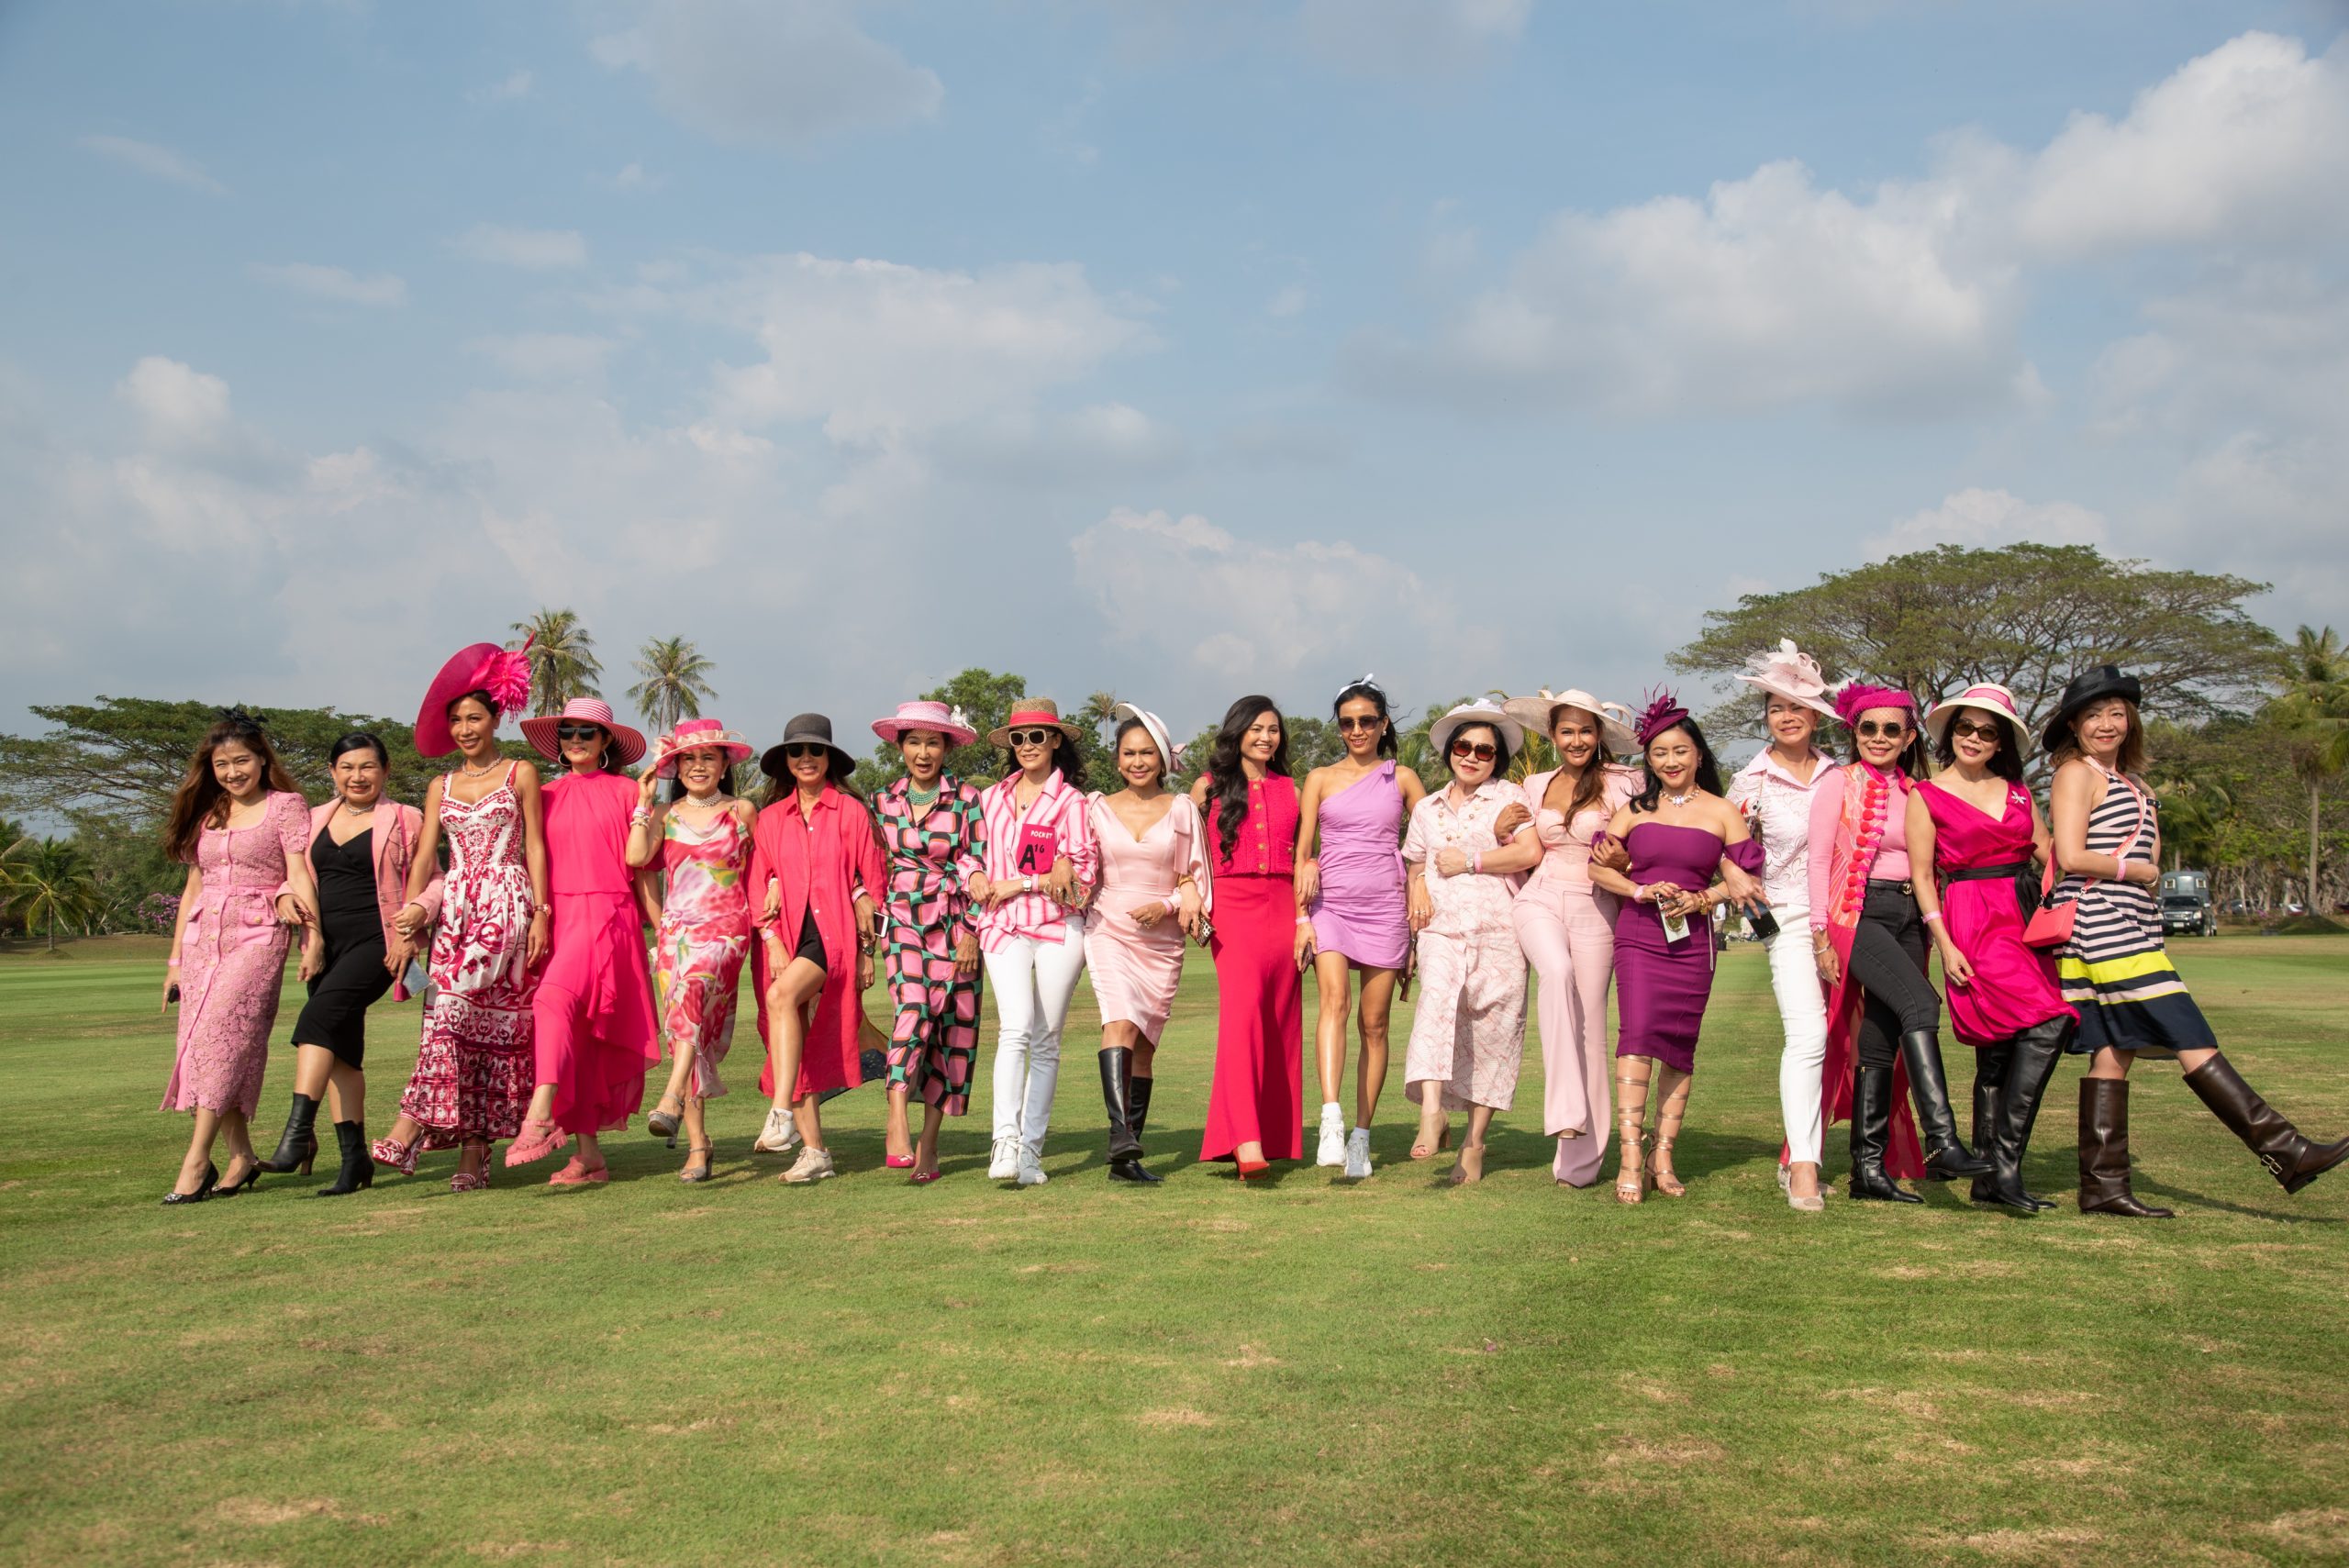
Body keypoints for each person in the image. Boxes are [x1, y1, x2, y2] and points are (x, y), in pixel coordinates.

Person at [2045, 667, 2349, 1216]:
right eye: (2093, 715)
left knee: (2115, 1053)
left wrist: (2146, 877)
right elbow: (2070, 856)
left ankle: (2104, 1187)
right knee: (2189, 1034)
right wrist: (2138, 872)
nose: (2107, 724)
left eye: (2116, 713)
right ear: (2074, 723)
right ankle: (2285, 1149)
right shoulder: (2076, 774)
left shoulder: (2138, 783)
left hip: (2134, 922)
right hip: (2102, 921)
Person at [373, 642, 546, 1191]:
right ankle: (473, 1158)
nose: (466, 729)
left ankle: (409, 1126)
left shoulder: (521, 772)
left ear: (496, 718)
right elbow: (426, 855)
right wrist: (409, 917)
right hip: (455, 911)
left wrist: (541, 913)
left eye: (474, 718)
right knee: (471, 1028)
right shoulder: (438, 786)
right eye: (457, 721)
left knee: (451, 1010)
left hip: (506, 903)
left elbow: (536, 847)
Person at [1809, 684, 1991, 1203]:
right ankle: (1942, 1139)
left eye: (1892, 729)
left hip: (1912, 912)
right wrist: (1821, 937)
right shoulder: (1837, 783)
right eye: (1868, 727)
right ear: (1854, 732)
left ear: (1909, 736)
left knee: (1882, 1036)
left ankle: (1867, 1169)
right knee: (1921, 1002)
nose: (1880, 737)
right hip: (1858, 913)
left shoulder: (1920, 791)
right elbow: (1819, 861)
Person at [1589, 693, 1763, 1204]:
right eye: (1660, 753)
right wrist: (1639, 890)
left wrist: (1703, 896)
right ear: (1650, 759)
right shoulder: (1633, 810)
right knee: (1637, 1036)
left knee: (1680, 1047)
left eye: (1680, 751)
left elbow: (1746, 877)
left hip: (1694, 942)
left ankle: (1664, 1155)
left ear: (1699, 755)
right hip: (1640, 935)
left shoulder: (1725, 811)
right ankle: (1628, 1159)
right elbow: (1598, 867)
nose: (1670, 761)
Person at [1910, 684, 2076, 1213]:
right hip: (1971, 920)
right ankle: (2004, 1165)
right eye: (1965, 728)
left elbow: (2050, 853)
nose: (1974, 738)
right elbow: (1921, 878)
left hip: (2024, 919)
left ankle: (1990, 1174)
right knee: (2051, 1020)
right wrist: (1945, 943)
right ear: (1950, 733)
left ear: (2001, 741)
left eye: (1987, 731)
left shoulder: (2021, 793)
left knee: (2000, 1052)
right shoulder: (1926, 794)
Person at [258, 732, 443, 1196]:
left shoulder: (406, 818)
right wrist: (283, 898)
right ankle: (354, 1160)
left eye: (367, 767)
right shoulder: (313, 818)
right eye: (346, 767)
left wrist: (417, 914)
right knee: (341, 1053)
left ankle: (297, 1135)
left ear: (385, 771)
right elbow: (289, 878)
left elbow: (439, 879)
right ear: (332, 772)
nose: (356, 776)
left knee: (316, 1021)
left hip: (378, 944)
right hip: (322, 947)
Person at [157, 709, 320, 1204]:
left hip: (258, 936)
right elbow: (193, 888)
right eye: (222, 764)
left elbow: (299, 873)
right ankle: (242, 1155)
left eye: (242, 760)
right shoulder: (208, 815)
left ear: (261, 760)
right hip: (203, 942)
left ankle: (196, 1158)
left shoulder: (286, 806)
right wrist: (174, 963)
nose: (233, 772)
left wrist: (314, 939)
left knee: (218, 1041)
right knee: (203, 1047)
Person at [501, 699, 662, 1186]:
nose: (575, 741)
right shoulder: (542, 795)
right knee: (581, 1037)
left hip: (608, 916)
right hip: (554, 919)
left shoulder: (628, 792)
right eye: (567, 732)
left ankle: (542, 1108)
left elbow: (644, 872)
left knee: (552, 1000)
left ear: (605, 742)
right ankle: (589, 1156)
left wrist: (664, 928)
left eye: (586, 734)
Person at [1497, 687, 1639, 1188]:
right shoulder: (1533, 785)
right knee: (1555, 974)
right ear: (1552, 735)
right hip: (1540, 896)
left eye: (1585, 730)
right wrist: (1500, 830)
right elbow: (1523, 849)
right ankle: (1563, 1109)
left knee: (1591, 1027)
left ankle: (1580, 1163)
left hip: (1596, 905)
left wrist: (1623, 861)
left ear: (1598, 735)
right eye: (1566, 730)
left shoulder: (1624, 783)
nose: (1576, 740)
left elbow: (1636, 845)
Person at [1722, 642, 1842, 1211]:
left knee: (1844, 1040)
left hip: (1847, 917)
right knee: (1809, 1036)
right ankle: (1803, 1167)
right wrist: (1736, 878)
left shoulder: (1840, 774)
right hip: (1787, 917)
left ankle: (1807, 1150)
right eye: (1776, 707)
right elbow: (1721, 843)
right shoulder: (1752, 780)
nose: (1786, 716)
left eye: (1796, 706)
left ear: (1816, 715)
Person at [1400, 702, 1542, 1184]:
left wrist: (1473, 860)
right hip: (1441, 927)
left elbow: (1529, 851)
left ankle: (1474, 1143)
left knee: (1493, 1035)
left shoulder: (1510, 798)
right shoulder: (1426, 807)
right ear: (1450, 751)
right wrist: (1417, 885)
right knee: (1435, 1006)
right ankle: (1432, 1111)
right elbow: (1415, 862)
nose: (1473, 756)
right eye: (1464, 746)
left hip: (1501, 930)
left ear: (1496, 758)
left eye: (1485, 750)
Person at [748, 715, 884, 1185]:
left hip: (836, 941)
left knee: (781, 999)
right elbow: (756, 886)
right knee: (793, 1041)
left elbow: (874, 884)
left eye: (815, 751)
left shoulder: (849, 812)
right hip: (785, 939)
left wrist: (869, 951)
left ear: (829, 760)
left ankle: (781, 1112)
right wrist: (770, 941)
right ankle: (813, 1151)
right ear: (786, 762)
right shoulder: (769, 819)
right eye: (796, 752)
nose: (806, 759)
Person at [1295, 675, 1421, 1177]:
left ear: (1383, 724)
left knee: (1376, 1024)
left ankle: (1361, 1139)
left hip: (1386, 907)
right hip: (1331, 903)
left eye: (1366, 720)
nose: (1357, 729)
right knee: (1334, 1003)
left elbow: (1433, 836)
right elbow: (1303, 852)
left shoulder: (1403, 777)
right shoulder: (1320, 778)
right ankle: (1331, 1117)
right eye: (1347, 722)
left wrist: (1420, 885)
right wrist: (1301, 917)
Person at [1084, 705, 1211, 1184]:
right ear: (1117, 760)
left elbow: (1196, 879)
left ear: (1161, 760)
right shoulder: (1094, 806)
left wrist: (1167, 904)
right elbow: (1080, 866)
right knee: (1118, 1022)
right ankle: (1120, 1134)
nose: (1138, 762)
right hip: (1109, 927)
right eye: (1128, 754)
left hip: (1161, 941)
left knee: (1144, 1048)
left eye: (1146, 754)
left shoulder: (1181, 810)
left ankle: (1126, 1160)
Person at [974, 698, 1097, 1188]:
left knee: (1046, 1041)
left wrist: (1024, 883)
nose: (1028, 746)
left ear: (1055, 742)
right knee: (1016, 1027)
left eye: (1038, 737)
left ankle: (1030, 1151)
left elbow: (1083, 874)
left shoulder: (1073, 803)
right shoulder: (989, 798)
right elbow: (969, 855)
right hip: (1002, 925)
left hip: (1058, 927)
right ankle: (1004, 1141)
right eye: (1019, 738)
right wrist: (979, 874)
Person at [629, 718, 757, 1185]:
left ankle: (670, 1098)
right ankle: (699, 1146)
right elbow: (636, 859)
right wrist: (644, 802)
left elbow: (762, 868)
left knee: (696, 988)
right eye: (688, 758)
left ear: (724, 763)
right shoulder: (664, 814)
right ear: (676, 766)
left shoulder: (742, 810)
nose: (698, 766)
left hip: (726, 929)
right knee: (688, 1032)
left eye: (708, 757)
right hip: (676, 933)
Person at [868, 700, 990, 1186]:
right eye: (914, 742)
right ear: (900, 747)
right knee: (913, 1008)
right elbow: (867, 866)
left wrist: (973, 932)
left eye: (933, 742)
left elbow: (978, 863)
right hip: (901, 919)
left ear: (946, 747)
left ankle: (930, 1142)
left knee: (952, 1035)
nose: (923, 752)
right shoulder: (881, 801)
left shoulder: (966, 798)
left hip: (955, 919)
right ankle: (896, 1111)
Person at [1189, 697, 1304, 1177]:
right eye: (1256, 728)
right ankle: (1245, 1140)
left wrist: (1304, 916)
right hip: (1231, 908)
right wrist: (1186, 892)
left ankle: (1273, 1135)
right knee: (1242, 1017)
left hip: (1283, 905)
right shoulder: (1207, 787)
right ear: (1237, 732)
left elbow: (1306, 855)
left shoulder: (1293, 788)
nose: (1265, 737)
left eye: (1273, 730)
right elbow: (1185, 849)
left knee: (1281, 1020)